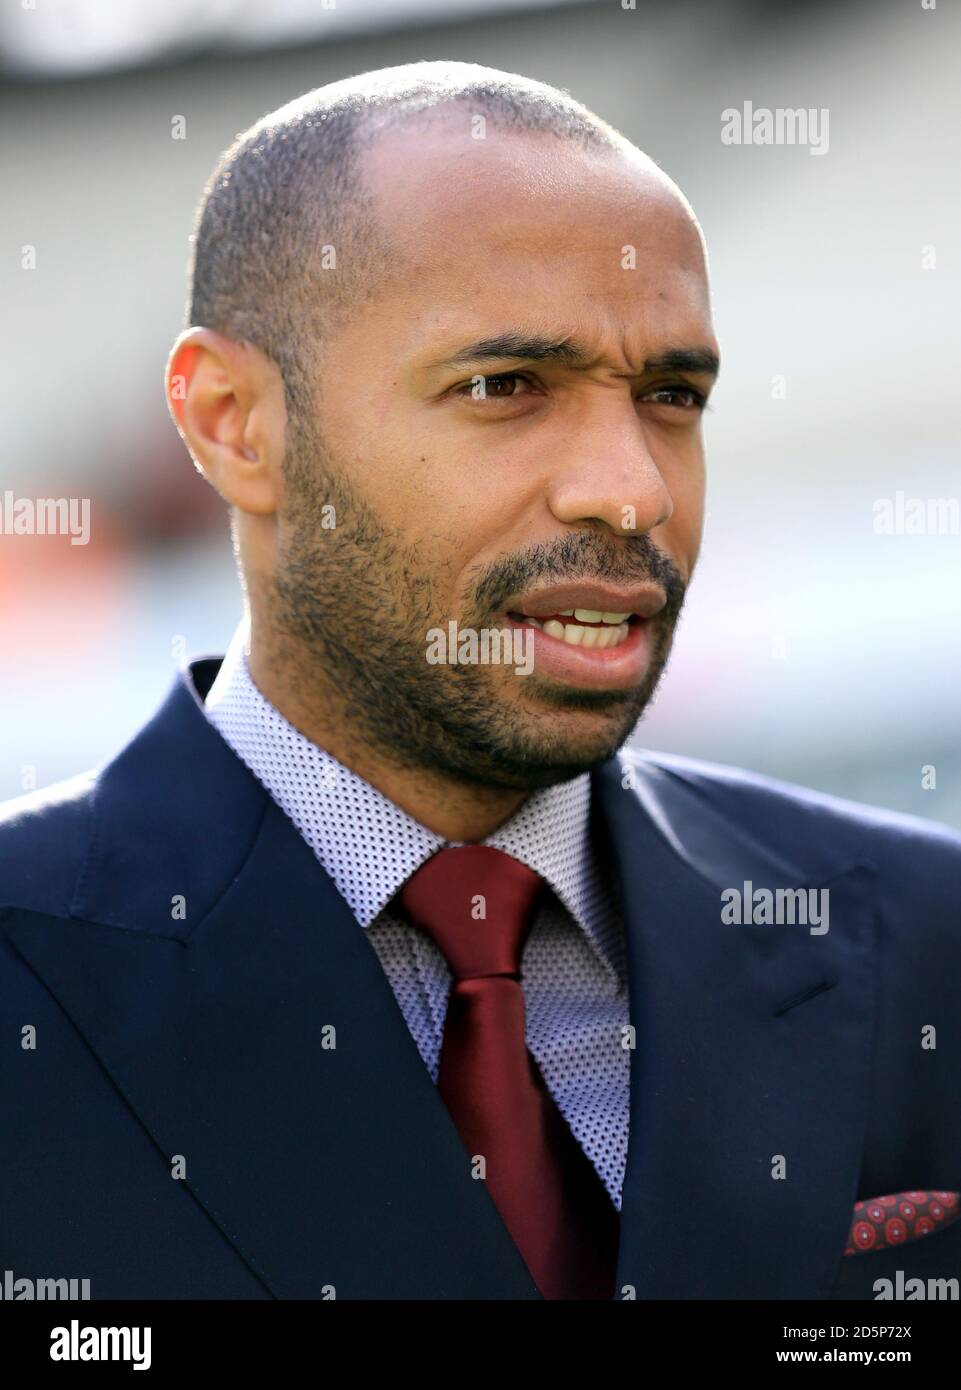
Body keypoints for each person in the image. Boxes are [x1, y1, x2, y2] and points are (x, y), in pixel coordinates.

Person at [2, 61, 958, 1302]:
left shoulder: (923, 942)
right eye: (504, 387)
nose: (630, 490)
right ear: (234, 421)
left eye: (671, 395)